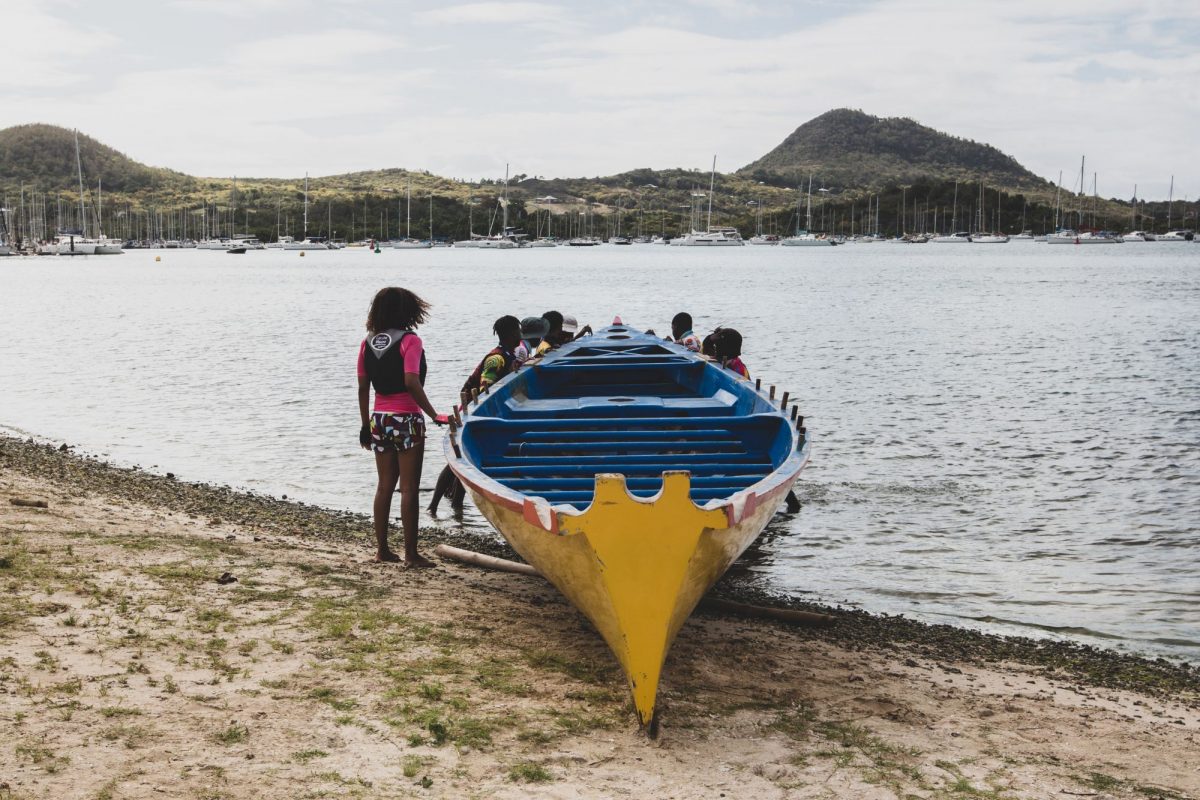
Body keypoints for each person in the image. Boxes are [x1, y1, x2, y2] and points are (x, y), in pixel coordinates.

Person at [357, 287, 447, 566]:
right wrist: (434, 414)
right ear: (407, 311)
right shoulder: (411, 341)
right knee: (409, 489)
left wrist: (365, 426)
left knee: (384, 486)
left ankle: (382, 551)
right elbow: (411, 381)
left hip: (379, 419)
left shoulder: (367, 343)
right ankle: (411, 555)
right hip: (407, 418)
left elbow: (363, 387)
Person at [429, 315, 522, 514]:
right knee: (458, 461)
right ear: (511, 333)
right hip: (475, 414)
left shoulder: (508, 355)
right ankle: (434, 505)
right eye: (518, 330)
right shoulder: (496, 358)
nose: (520, 334)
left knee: (468, 462)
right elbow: (485, 387)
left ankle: (456, 506)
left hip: (486, 414)